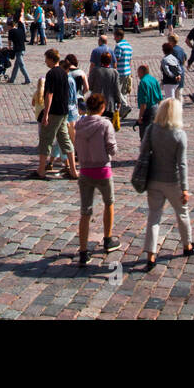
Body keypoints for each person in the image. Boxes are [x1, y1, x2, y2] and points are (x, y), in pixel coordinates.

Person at [141, 97, 194, 269]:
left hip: (153, 179)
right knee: (182, 213)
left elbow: (143, 151)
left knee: (154, 216)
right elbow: (182, 164)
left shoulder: (151, 129)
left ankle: (151, 254)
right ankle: (187, 245)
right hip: (172, 181)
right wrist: (185, 188)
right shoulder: (179, 135)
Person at [73, 93, 120, 267]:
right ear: (102, 107)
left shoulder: (79, 124)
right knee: (109, 203)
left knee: (85, 212)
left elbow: (76, 146)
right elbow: (112, 149)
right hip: (102, 170)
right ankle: (108, 239)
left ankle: (83, 251)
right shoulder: (105, 124)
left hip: (85, 170)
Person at [34, 49, 76, 180]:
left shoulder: (51, 74)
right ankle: (73, 170)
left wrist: (46, 113)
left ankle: (41, 170)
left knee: (45, 140)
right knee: (65, 140)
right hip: (64, 112)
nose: (45, 61)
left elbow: (49, 94)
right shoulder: (64, 73)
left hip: (54, 112)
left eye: (46, 59)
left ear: (51, 59)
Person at [88, 51, 121, 131]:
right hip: (109, 104)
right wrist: (118, 101)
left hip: (96, 103)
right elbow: (117, 88)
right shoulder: (114, 72)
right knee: (107, 127)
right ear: (110, 61)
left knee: (95, 126)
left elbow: (90, 86)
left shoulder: (95, 70)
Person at [135, 63, 162, 141]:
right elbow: (160, 97)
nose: (138, 75)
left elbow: (143, 103)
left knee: (145, 136)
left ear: (142, 72)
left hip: (148, 111)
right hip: (156, 108)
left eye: (138, 72)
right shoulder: (153, 79)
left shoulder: (143, 82)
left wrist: (140, 117)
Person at [112, 28, 134, 110]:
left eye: (115, 36)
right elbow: (129, 60)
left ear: (118, 36)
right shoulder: (129, 46)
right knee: (123, 92)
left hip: (120, 72)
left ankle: (124, 106)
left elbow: (115, 60)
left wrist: (112, 70)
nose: (114, 38)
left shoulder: (119, 46)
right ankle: (122, 110)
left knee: (116, 91)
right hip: (127, 71)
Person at [7, 18, 30, 84]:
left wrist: (9, 48)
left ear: (10, 26)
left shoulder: (11, 31)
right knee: (16, 66)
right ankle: (12, 79)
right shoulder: (20, 30)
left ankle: (27, 79)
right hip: (23, 48)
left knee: (21, 65)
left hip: (17, 50)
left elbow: (9, 41)